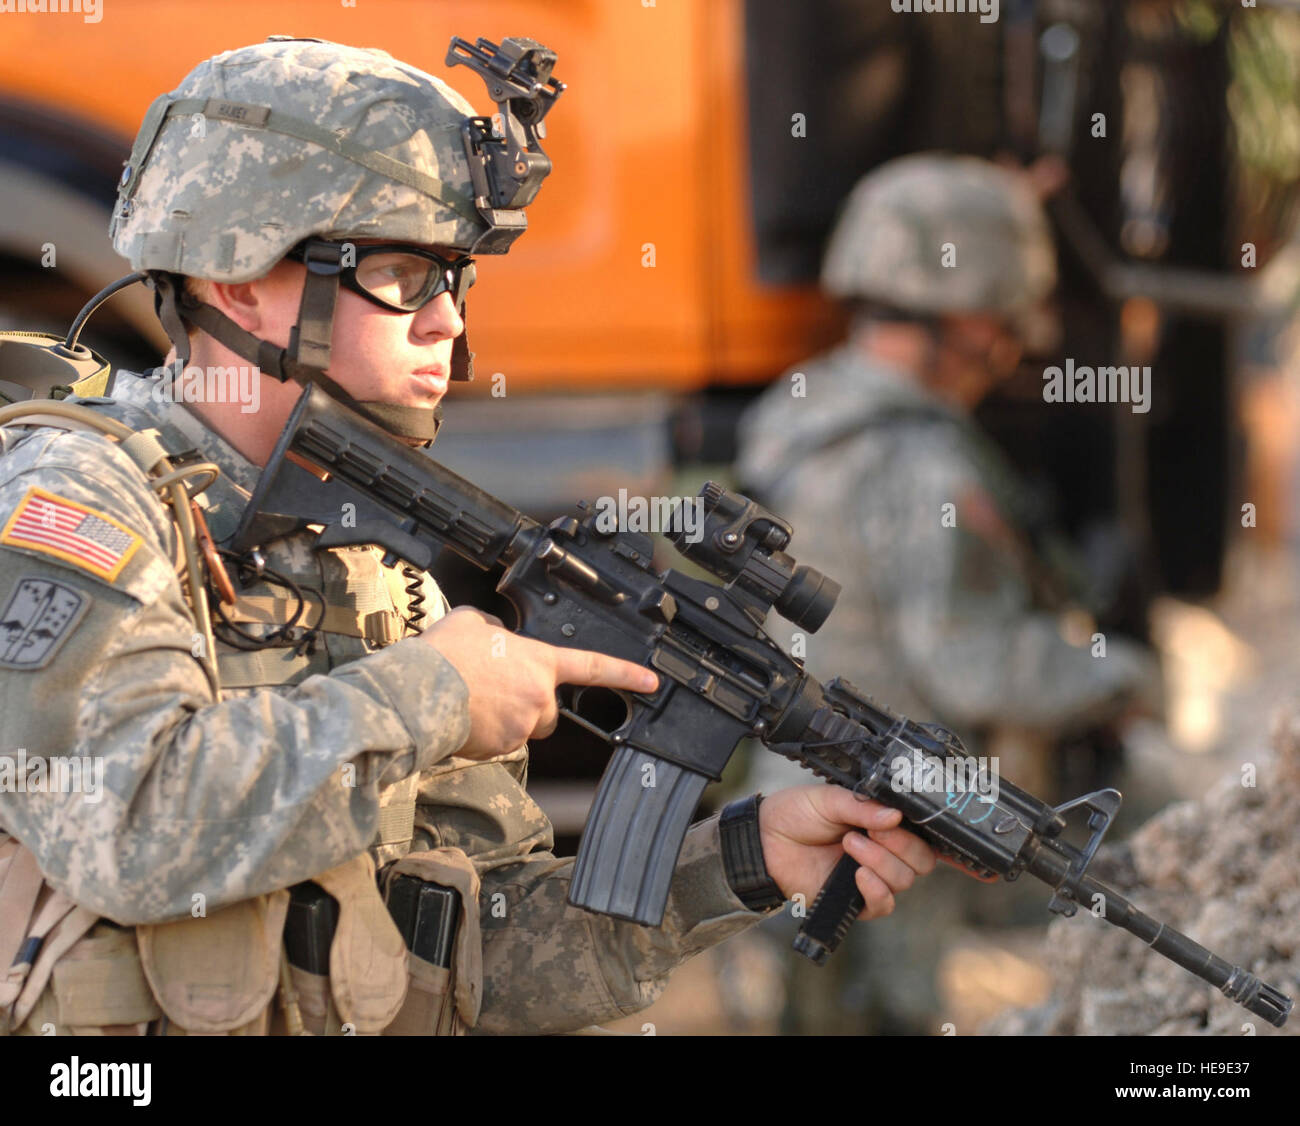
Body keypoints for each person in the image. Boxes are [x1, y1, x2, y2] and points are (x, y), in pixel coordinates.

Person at [0, 37, 934, 1037]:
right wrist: (435, 695)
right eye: (404, 274)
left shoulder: (370, 564)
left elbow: (476, 963)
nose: (447, 321)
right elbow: (126, 830)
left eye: (456, 278)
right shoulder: (75, 505)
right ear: (238, 278)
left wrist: (736, 863)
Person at [732, 153, 1158, 1033]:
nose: (1014, 341)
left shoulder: (799, 413)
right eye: (1005, 316)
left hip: (787, 790)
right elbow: (975, 665)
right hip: (891, 810)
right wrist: (1122, 675)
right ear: (967, 313)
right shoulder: (920, 459)